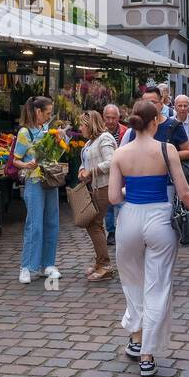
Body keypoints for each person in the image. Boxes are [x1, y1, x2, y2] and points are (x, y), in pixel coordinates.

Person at [109, 99, 189, 377]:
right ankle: (147, 354)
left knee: (133, 282)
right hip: (160, 217)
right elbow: (184, 192)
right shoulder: (166, 149)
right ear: (156, 122)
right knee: (158, 285)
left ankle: (136, 337)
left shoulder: (121, 154)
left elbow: (113, 197)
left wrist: (129, 194)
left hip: (130, 217)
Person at [13, 96, 59, 285]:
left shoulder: (47, 129)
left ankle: (48, 264)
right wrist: (27, 164)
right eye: (47, 113)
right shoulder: (25, 132)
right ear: (38, 112)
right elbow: (15, 160)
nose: (49, 117)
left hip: (50, 179)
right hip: (34, 181)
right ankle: (27, 266)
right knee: (34, 224)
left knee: (52, 222)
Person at [76, 110, 116, 281]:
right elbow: (84, 161)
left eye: (82, 124)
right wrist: (81, 170)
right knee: (93, 224)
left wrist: (91, 171)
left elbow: (112, 160)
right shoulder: (90, 142)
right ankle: (100, 262)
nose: (80, 128)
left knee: (95, 223)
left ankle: (105, 265)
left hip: (103, 186)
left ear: (90, 124)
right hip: (93, 185)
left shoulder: (104, 139)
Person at [122, 86, 189, 161]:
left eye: (153, 102)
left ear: (161, 103)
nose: (149, 106)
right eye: (146, 103)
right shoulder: (136, 127)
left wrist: (165, 156)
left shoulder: (174, 125)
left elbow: (187, 152)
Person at [101, 103, 127, 246]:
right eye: (107, 117)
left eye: (113, 118)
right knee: (108, 205)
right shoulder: (99, 132)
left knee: (121, 203)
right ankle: (111, 232)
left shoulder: (125, 131)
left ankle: (124, 229)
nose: (110, 121)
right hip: (105, 174)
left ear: (119, 118)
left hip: (122, 173)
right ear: (103, 117)